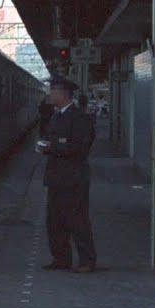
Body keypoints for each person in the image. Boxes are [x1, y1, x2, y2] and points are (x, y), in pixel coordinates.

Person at [38, 76, 97, 273]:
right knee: (54, 221)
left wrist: (51, 147)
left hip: (74, 178)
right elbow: (57, 142)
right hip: (56, 178)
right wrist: (49, 146)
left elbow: (80, 147)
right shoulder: (57, 116)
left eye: (52, 91)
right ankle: (61, 259)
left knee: (78, 221)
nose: (50, 94)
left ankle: (87, 261)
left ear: (63, 93)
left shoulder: (79, 118)